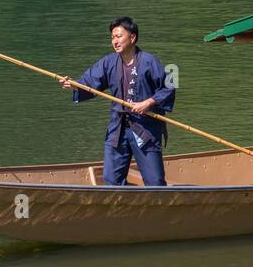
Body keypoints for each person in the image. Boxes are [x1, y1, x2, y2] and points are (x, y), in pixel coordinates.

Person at [61, 16, 174, 186]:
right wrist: (75, 85)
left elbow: (169, 87)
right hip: (118, 129)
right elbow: (90, 81)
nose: (115, 41)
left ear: (132, 37)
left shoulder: (150, 61)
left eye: (119, 36)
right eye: (112, 37)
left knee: (155, 181)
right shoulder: (109, 62)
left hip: (145, 130)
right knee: (111, 180)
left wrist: (148, 102)